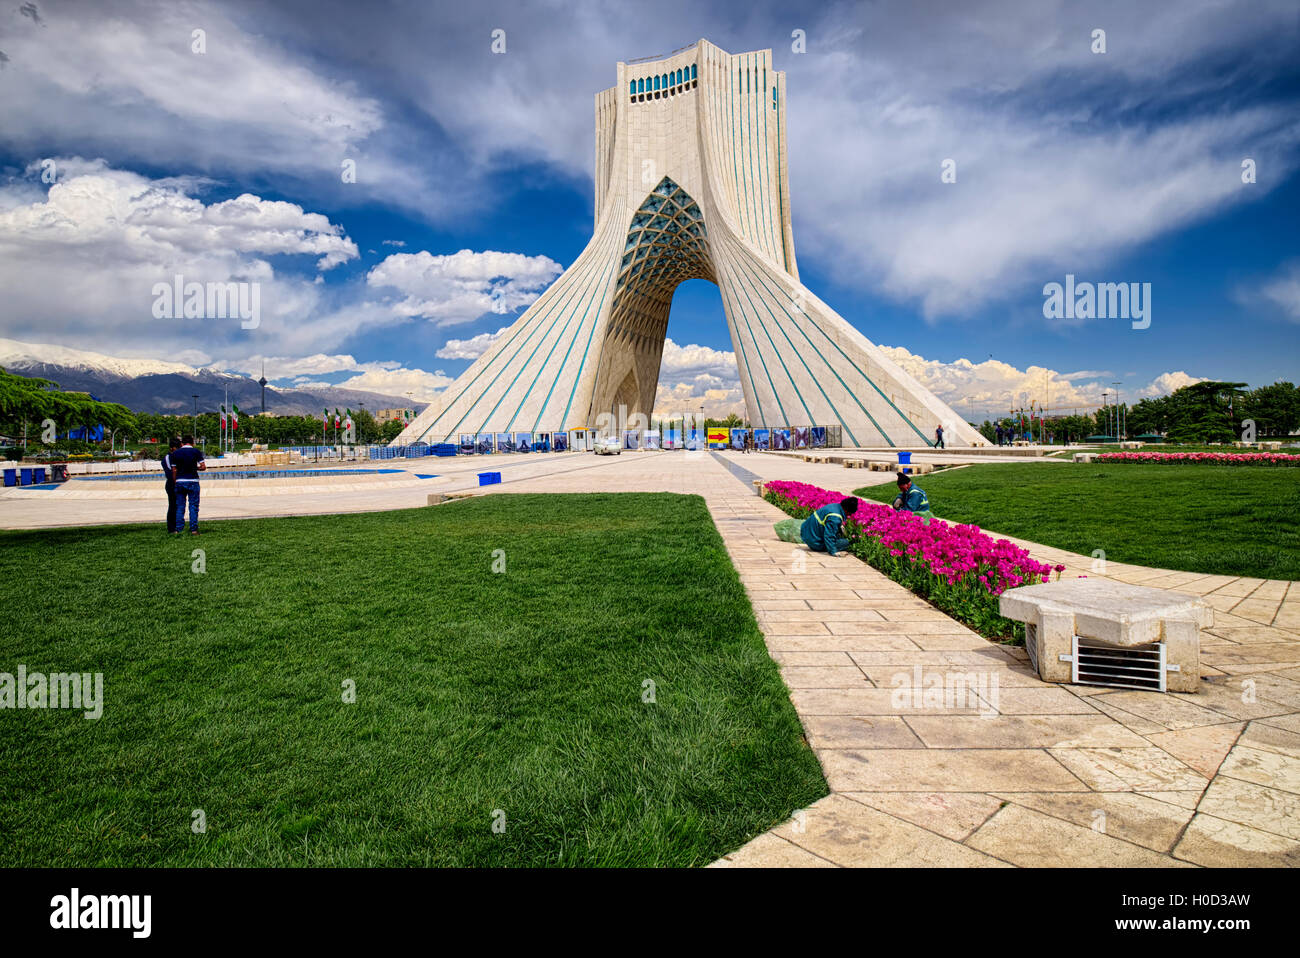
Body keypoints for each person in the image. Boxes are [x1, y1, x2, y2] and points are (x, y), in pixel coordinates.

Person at [171, 435, 206, 535]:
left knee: (180, 506)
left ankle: (178, 529)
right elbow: (203, 467)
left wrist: (175, 481)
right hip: (193, 481)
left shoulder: (176, 453)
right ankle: (194, 529)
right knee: (193, 506)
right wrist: (195, 468)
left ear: (182, 443)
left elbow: (174, 470)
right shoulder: (196, 452)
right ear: (192, 443)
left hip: (180, 481)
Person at [161, 436, 180, 534]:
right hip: (172, 484)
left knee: (178, 505)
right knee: (173, 506)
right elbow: (170, 473)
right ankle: (172, 528)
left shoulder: (176, 456)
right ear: (172, 448)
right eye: (177, 448)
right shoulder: (168, 458)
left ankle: (178, 525)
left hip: (178, 483)